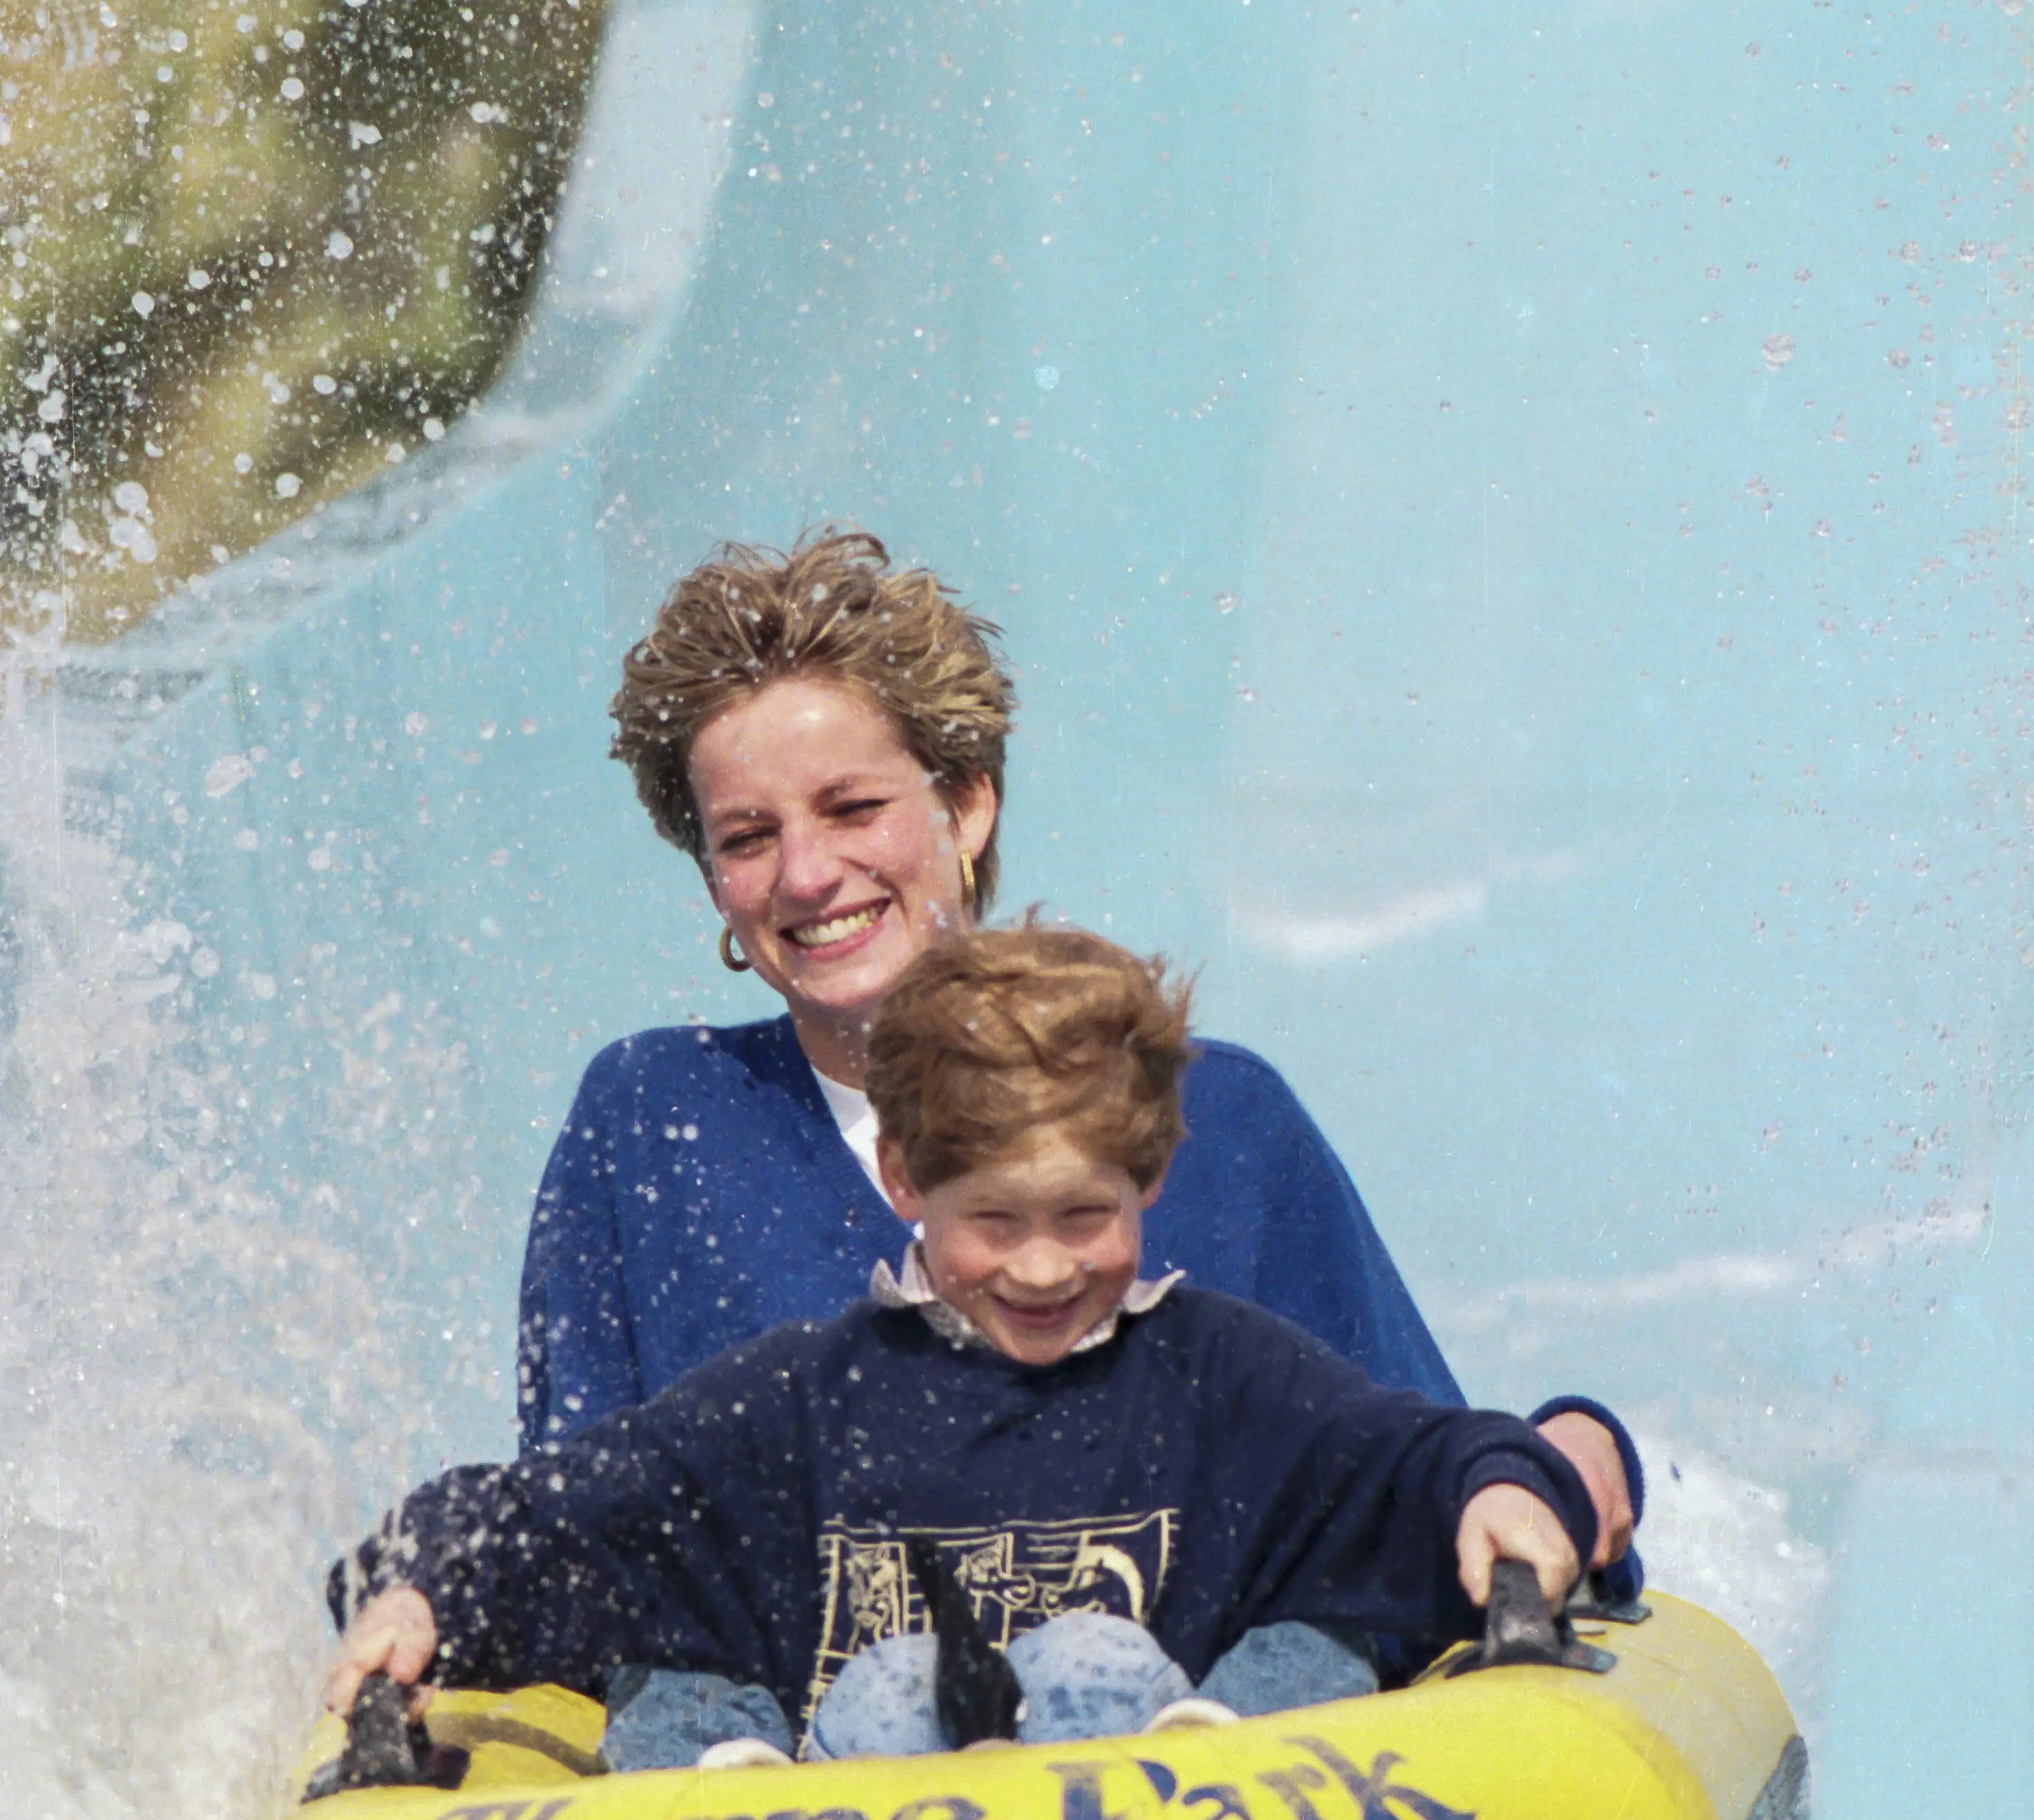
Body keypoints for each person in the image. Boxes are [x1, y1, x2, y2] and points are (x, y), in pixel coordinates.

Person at [517, 528, 1640, 1591]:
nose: (806, 875)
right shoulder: (651, 1120)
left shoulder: (1219, 1119)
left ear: (965, 807)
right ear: (712, 877)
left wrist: (1573, 1452)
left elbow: (1411, 1482)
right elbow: (576, 1521)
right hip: (769, 1774)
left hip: (1195, 1762)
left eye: (853, 808)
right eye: (749, 838)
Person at [326, 928, 1637, 1769]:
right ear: (903, 1180)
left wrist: (1519, 1483)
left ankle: (1221, 1750)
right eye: (994, 1222)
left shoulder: (1218, 1376)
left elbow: (1408, 1462)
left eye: (1088, 1217)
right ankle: (722, 1801)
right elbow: (564, 1512)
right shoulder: (807, 1401)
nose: (1045, 1266)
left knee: (1293, 1647)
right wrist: (414, 1585)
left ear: (1156, 1177)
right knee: (702, 1675)